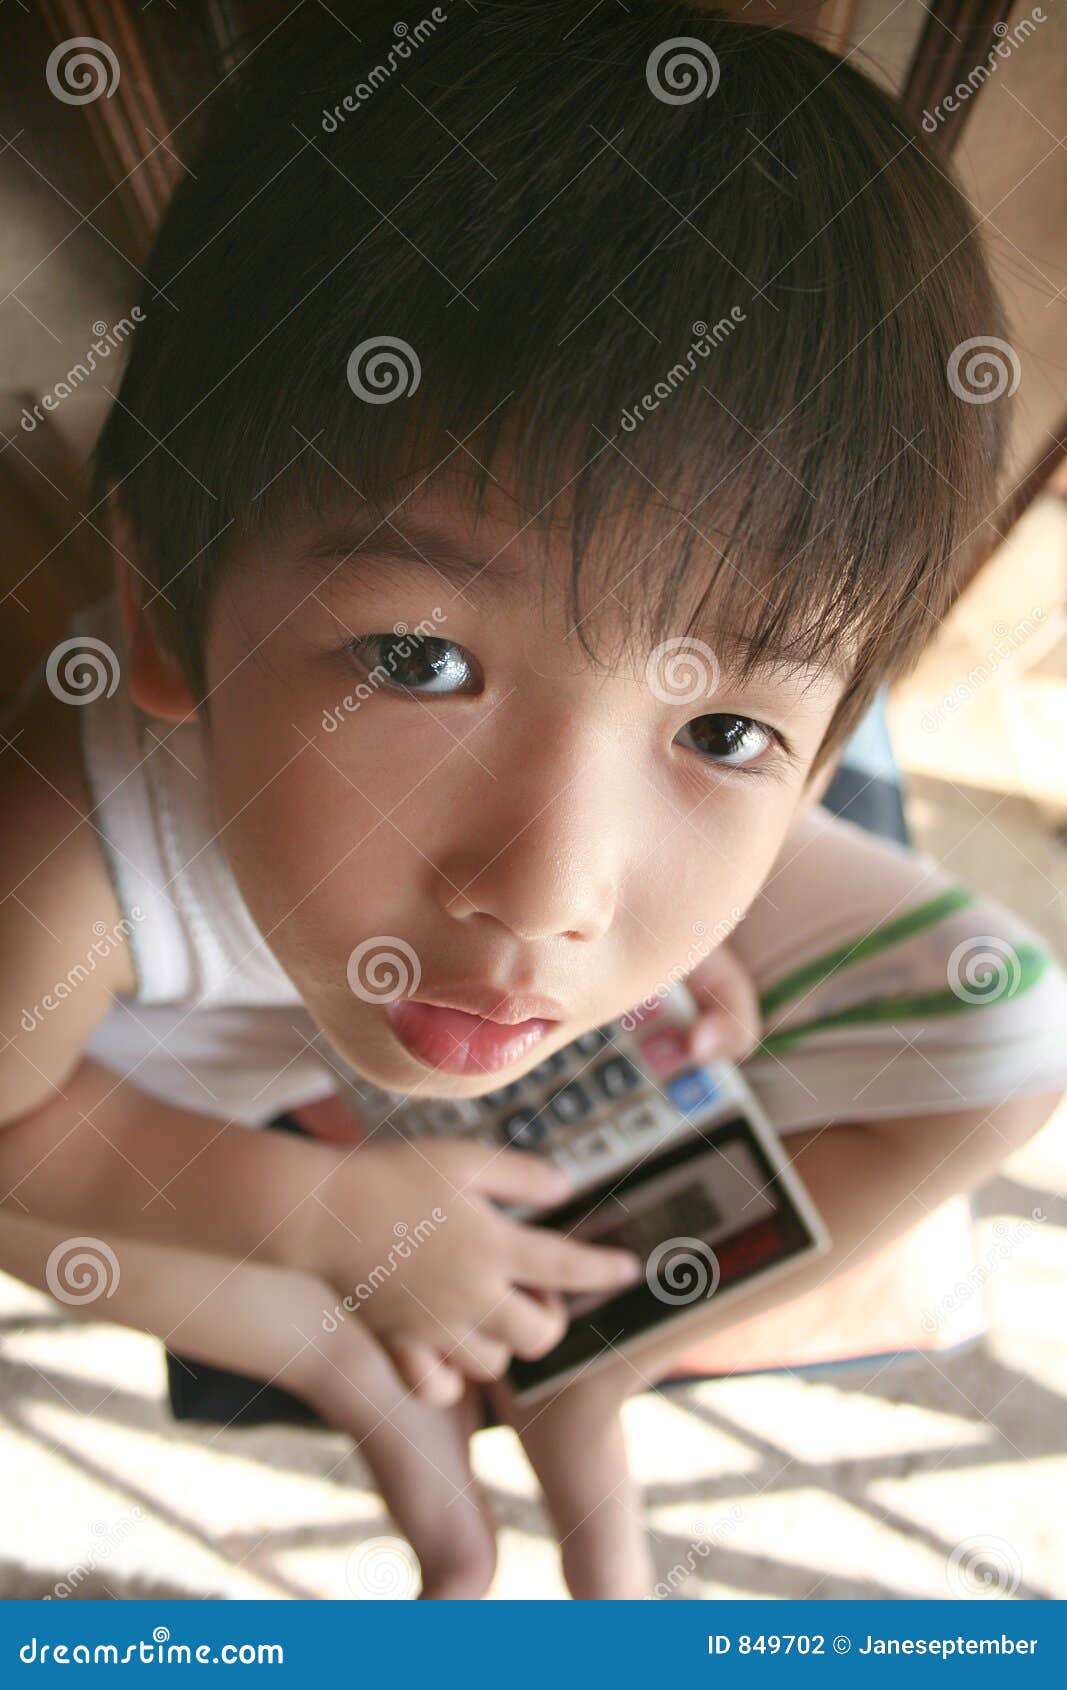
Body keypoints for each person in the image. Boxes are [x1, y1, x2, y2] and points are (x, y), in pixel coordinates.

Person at [1, 1, 1065, 1600]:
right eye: (420, 662)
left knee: (1013, 1041)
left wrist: (650, 957)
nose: (554, 889)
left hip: (401, 1027)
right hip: (173, 1081)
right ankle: (374, 1390)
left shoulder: (581, 870)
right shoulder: (67, 851)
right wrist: (334, 1221)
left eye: (726, 722)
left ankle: (597, 1360)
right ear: (164, 611)